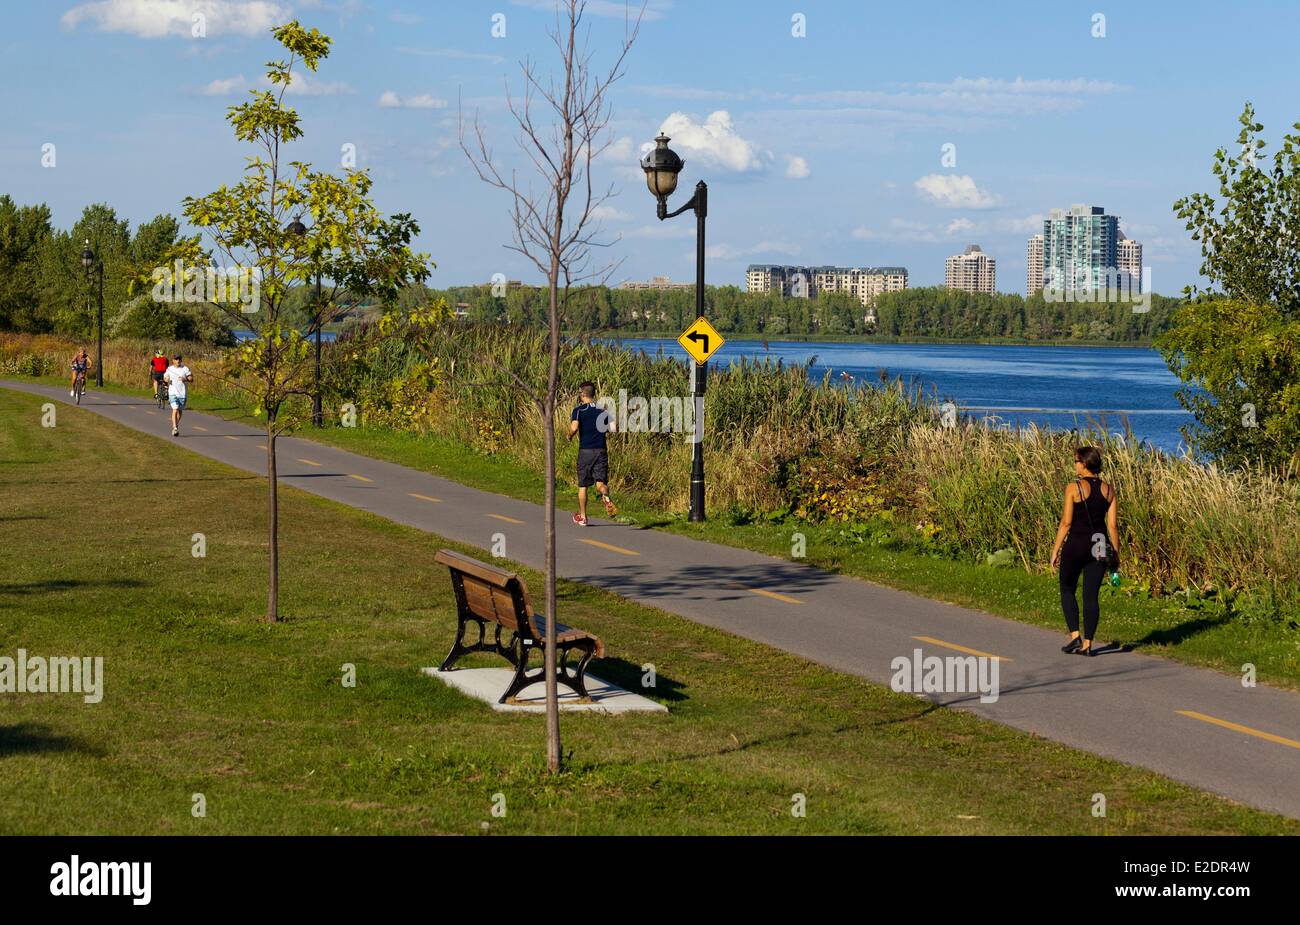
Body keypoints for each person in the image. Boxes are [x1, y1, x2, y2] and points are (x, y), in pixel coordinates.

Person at [1050, 446, 1120, 656]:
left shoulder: (1073, 488)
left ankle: (1074, 637)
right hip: (1099, 544)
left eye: (1076, 461)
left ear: (1085, 464)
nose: (1075, 465)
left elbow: (1066, 522)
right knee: (1091, 596)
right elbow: (1113, 526)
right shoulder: (1109, 490)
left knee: (1067, 588)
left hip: (1076, 544)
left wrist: (1055, 550)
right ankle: (1088, 644)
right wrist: (1115, 553)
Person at [566, 380, 617, 526]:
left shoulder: (579, 410)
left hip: (585, 451)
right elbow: (613, 428)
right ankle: (605, 494)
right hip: (601, 450)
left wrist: (569, 436)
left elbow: (574, 428)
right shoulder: (603, 410)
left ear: (582, 394)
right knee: (600, 483)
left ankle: (583, 517)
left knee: (583, 485)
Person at [162, 354, 193, 437]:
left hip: (182, 393)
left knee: (179, 411)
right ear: (173, 360)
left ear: (181, 360)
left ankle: (176, 425)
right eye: (176, 359)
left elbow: (191, 379)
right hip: (172, 392)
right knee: (175, 409)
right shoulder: (169, 369)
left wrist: (185, 379)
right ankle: (175, 428)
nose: (178, 360)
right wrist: (166, 379)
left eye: (179, 359)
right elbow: (165, 378)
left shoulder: (185, 369)